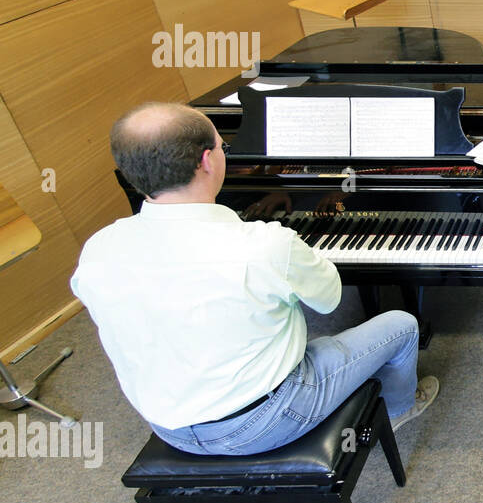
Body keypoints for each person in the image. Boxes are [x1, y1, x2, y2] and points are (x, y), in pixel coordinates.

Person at [71, 102, 439, 456]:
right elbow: (328, 299)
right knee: (402, 324)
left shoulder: (97, 249)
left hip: (169, 428)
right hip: (265, 422)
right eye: (222, 145)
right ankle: (400, 410)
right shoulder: (264, 244)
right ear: (206, 161)